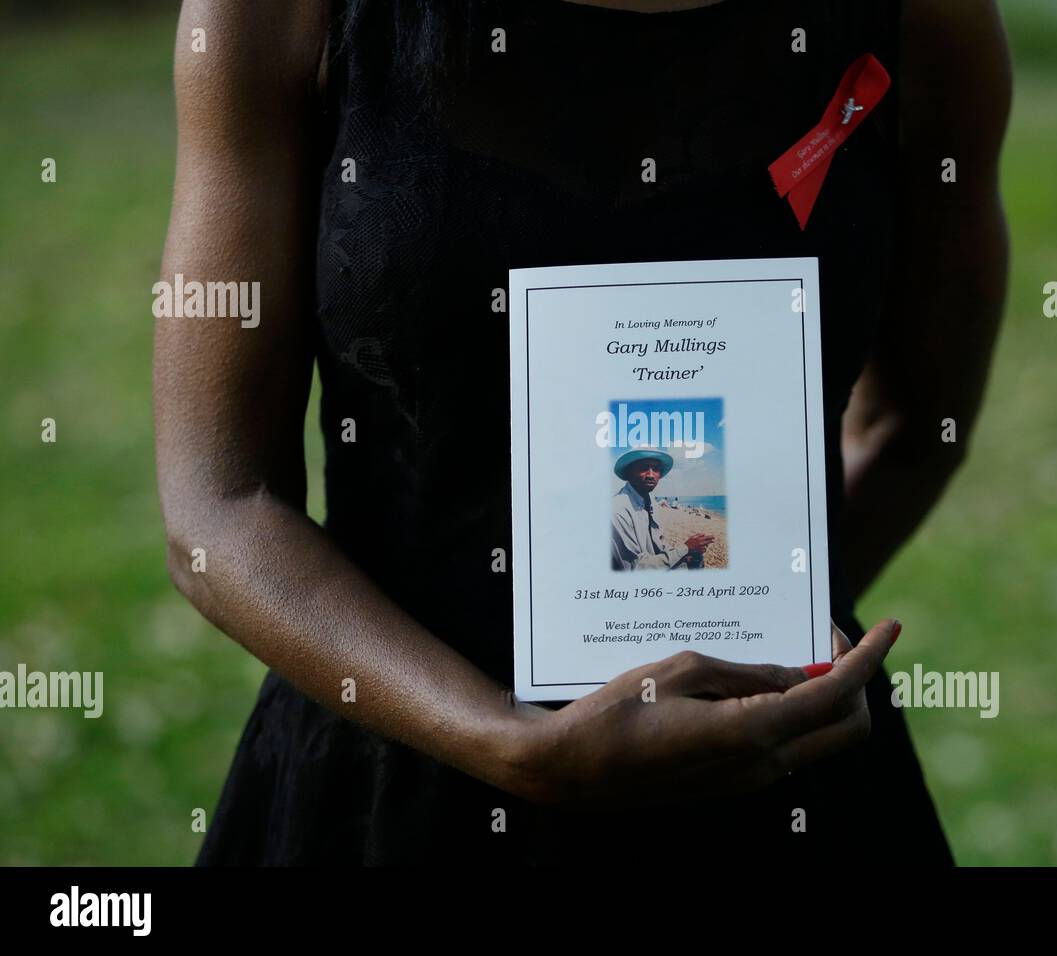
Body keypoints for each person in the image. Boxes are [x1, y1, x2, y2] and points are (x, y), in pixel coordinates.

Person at [155, 0, 1010, 865]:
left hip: (768, 781)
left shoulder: (926, 18)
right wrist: (511, 740)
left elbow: (912, 429)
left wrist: (752, 638)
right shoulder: (273, 16)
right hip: (386, 785)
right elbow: (221, 502)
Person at [611, 448, 714, 570]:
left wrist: (686, 552)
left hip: (652, 566)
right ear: (629, 473)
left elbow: (658, 545)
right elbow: (635, 568)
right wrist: (685, 548)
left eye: (655, 469)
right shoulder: (618, 510)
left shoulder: (650, 501)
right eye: (644, 468)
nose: (650, 475)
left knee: (696, 560)